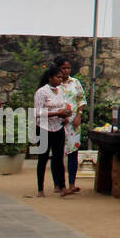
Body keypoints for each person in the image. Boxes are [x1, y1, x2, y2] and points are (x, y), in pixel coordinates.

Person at [34, 63, 75, 198]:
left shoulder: (61, 91)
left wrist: (65, 114)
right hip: (44, 128)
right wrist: (57, 113)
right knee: (43, 158)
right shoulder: (42, 92)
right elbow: (38, 112)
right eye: (58, 77)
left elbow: (63, 106)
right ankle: (40, 188)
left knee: (58, 158)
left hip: (58, 127)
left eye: (61, 77)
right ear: (50, 78)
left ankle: (62, 187)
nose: (60, 79)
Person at [57, 57, 86, 193]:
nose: (66, 71)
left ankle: (72, 183)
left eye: (68, 68)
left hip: (73, 123)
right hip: (58, 122)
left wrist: (78, 116)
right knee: (57, 153)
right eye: (64, 68)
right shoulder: (54, 83)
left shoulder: (75, 82)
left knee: (73, 153)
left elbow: (81, 101)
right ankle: (58, 183)